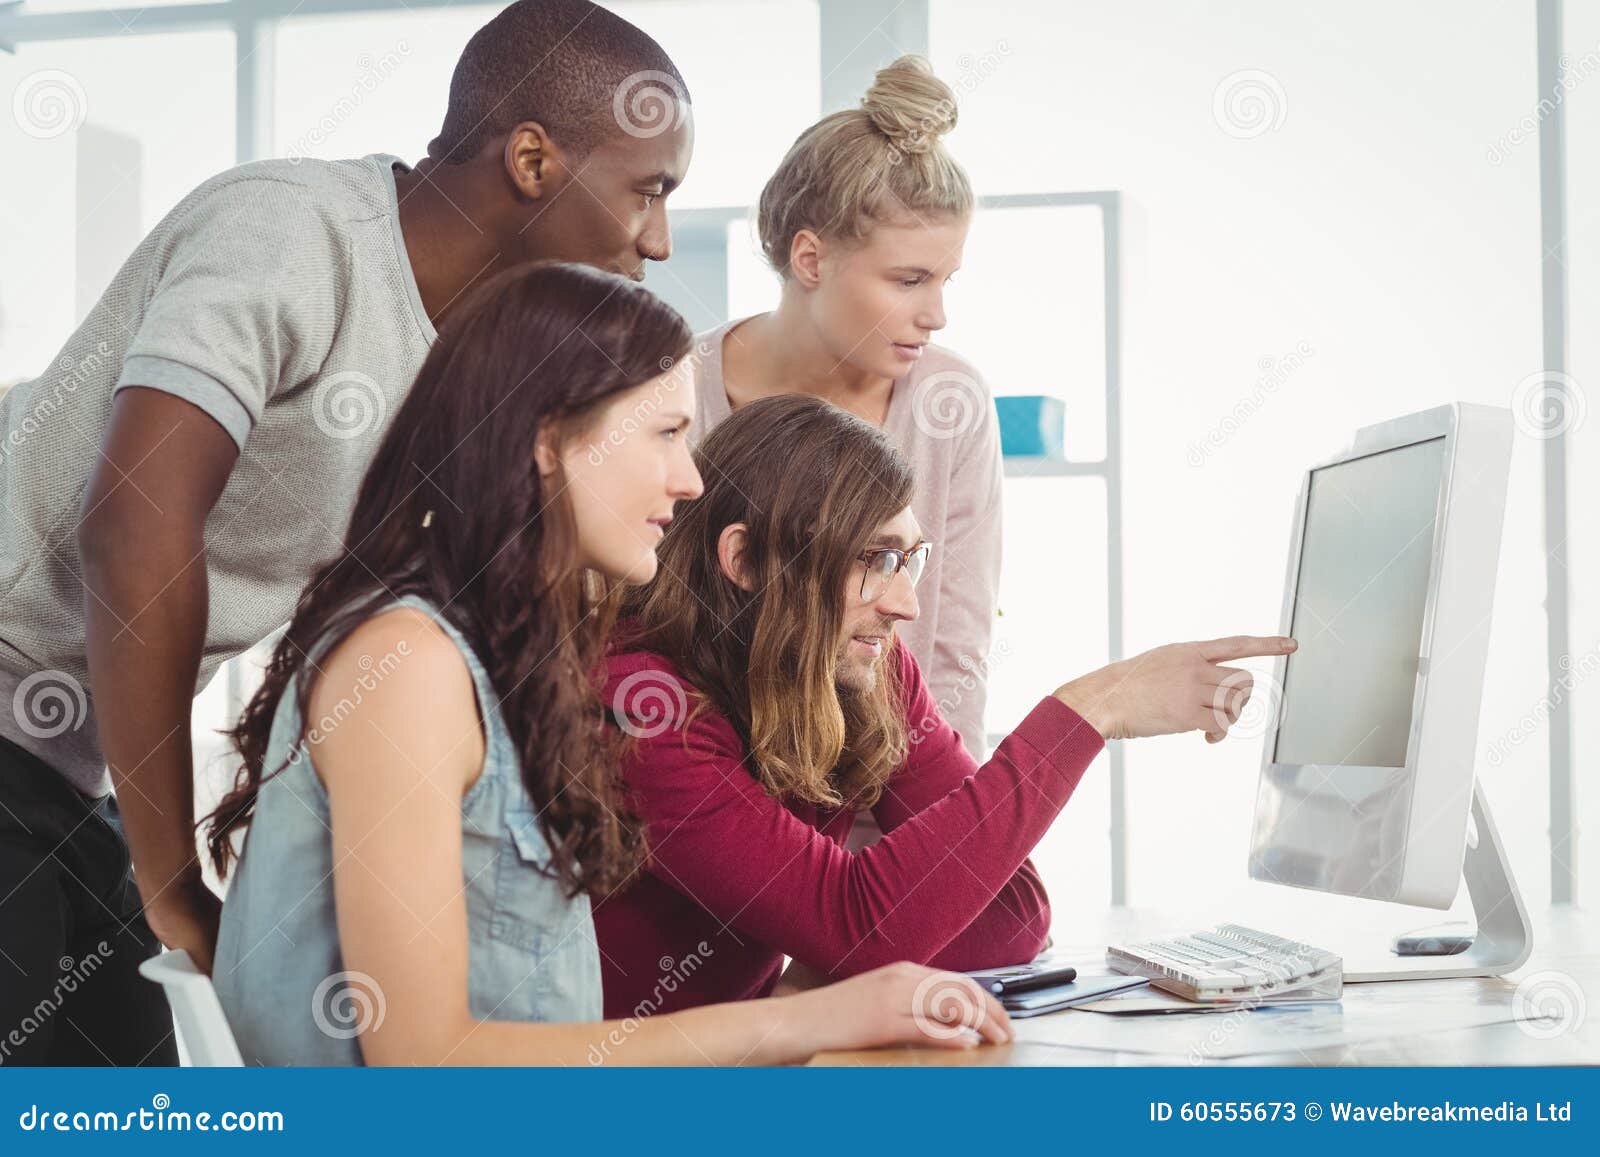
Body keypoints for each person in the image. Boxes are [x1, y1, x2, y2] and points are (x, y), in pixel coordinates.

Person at [0, 0, 693, 1065]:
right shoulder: (293, 230)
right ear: (531, 158)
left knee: (125, 1086)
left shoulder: (461, 357)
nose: (654, 238)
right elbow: (133, 525)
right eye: (647, 188)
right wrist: (171, 879)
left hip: (58, 760)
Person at [204, 262, 1009, 1066]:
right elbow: (422, 1060)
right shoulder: (406, 664)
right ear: (550, 438)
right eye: (665, 434)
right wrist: (818, 1017)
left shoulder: (512, 652)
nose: (689, 478)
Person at [594, 394, 1295, 1016]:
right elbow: (857, 925)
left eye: (910, 558)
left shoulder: (861, 666)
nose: (905, 603)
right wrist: (1087, 711)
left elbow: (1013, 916)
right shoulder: (642, 706)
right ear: (744, 561)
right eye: (873, 557)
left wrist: (832, 962)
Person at [690, 55, 999, 765]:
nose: (938, 314)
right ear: (811, 259)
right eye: (909, 279)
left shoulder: (949, 403)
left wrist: (949, 837)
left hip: (889, 789)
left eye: (946, 279)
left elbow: (954, 653)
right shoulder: (677, 388)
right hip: (713, 805)